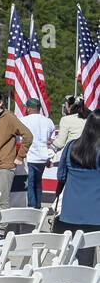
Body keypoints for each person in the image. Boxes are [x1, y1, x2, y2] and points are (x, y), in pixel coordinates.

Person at [53, 111, 100, 268]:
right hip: (96, 211)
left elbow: (61, 176)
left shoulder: (71, 146)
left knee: (82, 259)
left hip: (72, 211)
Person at [0, 89, 33, 206]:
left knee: (1, 201)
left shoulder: (9, 118)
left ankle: (1, 225)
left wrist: (20, 156)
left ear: (1, 103)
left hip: (4, 166)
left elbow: (28, 136)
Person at [21, 98, 56, 208]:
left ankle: (32, 206)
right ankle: (37, 205)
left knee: (30, 183)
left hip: (30, 155)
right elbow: (51, 140)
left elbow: (18, 138)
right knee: (38, 182)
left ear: (29, 108)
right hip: (43, 156)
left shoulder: (23, 120)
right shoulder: (48, 121)